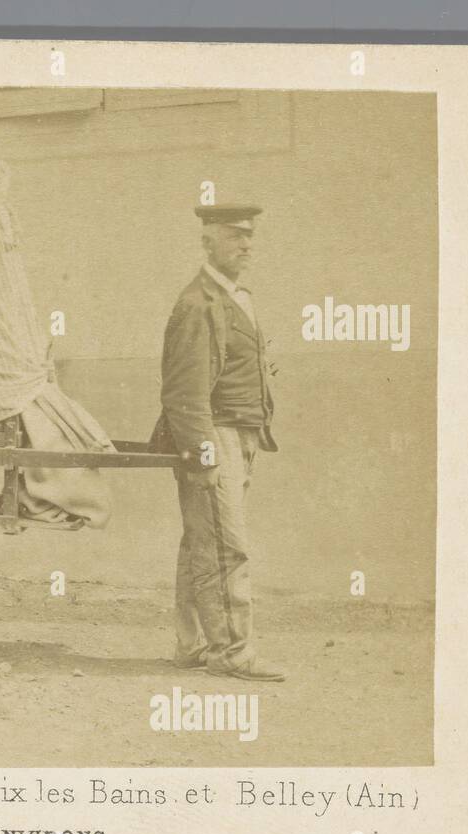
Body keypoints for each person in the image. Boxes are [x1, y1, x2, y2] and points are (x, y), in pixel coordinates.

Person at [152, 203, 284, 682]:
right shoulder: (199, 303)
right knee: (227, 549)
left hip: (240, 435)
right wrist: (204, 455)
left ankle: (193, 644)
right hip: (215, 438)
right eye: (234, 236)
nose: (246, 244)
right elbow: (184, 393)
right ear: (208, 242)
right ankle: (231, 653)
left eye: (249, 236)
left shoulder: (235, 297)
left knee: (201, 542)